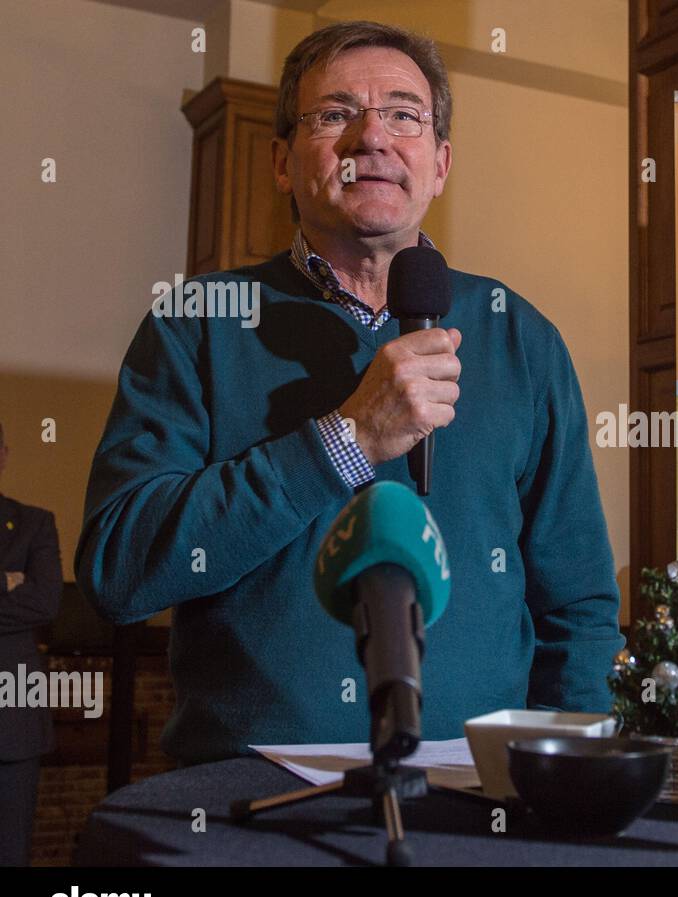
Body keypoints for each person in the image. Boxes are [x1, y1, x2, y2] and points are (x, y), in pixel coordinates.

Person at [75, 20, 622, 766]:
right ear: (280, 160)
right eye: (334, 115)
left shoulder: (519, 335)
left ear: (439, 163)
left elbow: (578, 608)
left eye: (404, 115)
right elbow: (120, 570)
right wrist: (347, 440)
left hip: (477, 796)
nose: (373, 137)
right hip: (248, 794)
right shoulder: (195, 323)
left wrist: (569, 779)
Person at [0, 419, 62, 865]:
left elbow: (44, 602)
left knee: (10, 851)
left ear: (3, 455)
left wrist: (23, 587)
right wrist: (7, 582)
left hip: (12, 724)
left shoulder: (35, 523)